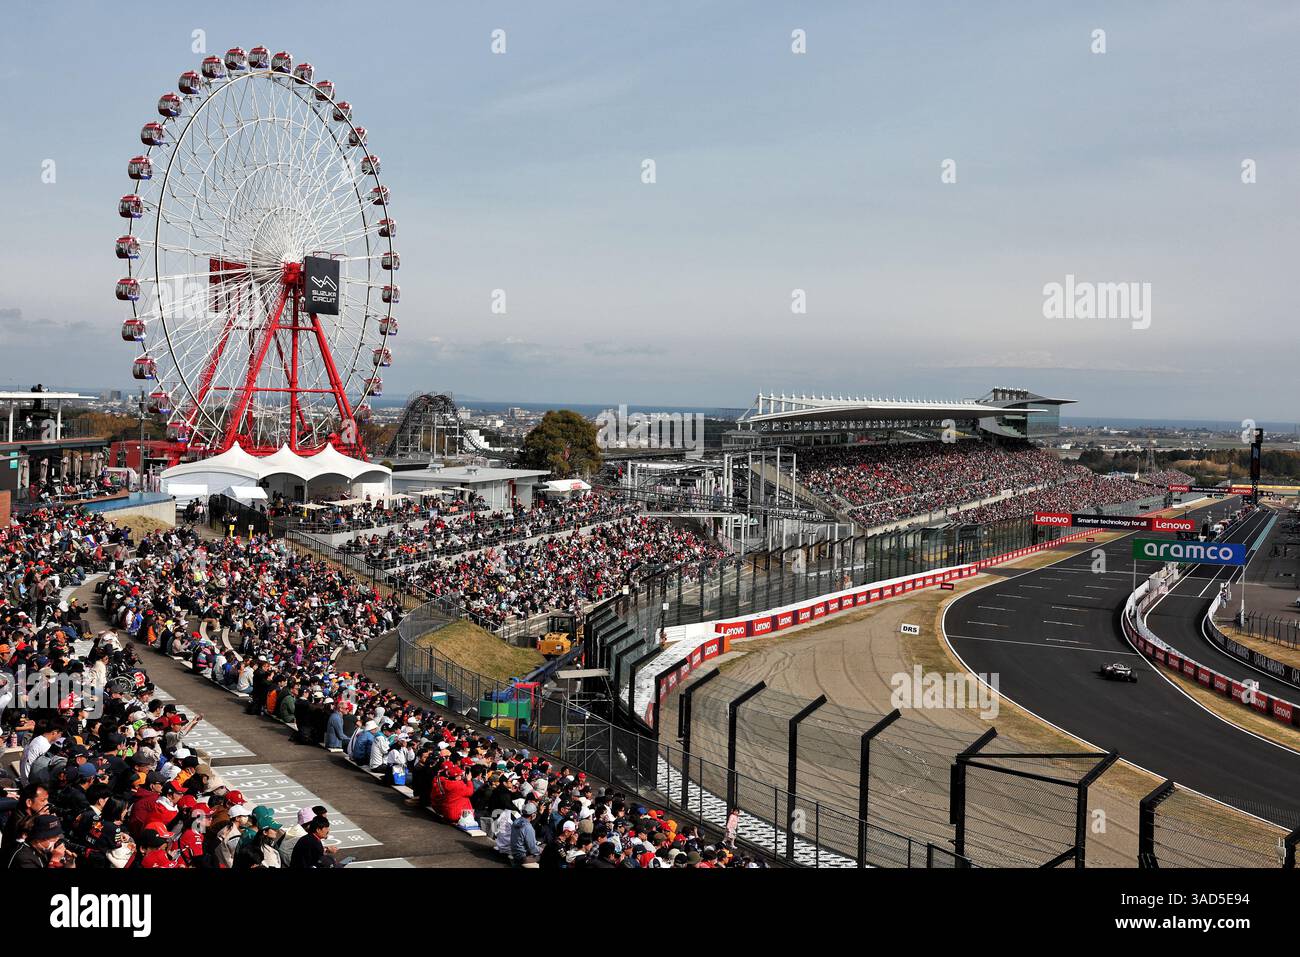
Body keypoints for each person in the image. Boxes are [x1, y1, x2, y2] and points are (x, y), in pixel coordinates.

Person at [510, 802, 541, 868]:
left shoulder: (516, 821)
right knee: (547, 855)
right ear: (533, 815)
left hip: (514, 852)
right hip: (522, 857)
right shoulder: (528, 827)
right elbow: (532, 849)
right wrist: (541, 850)